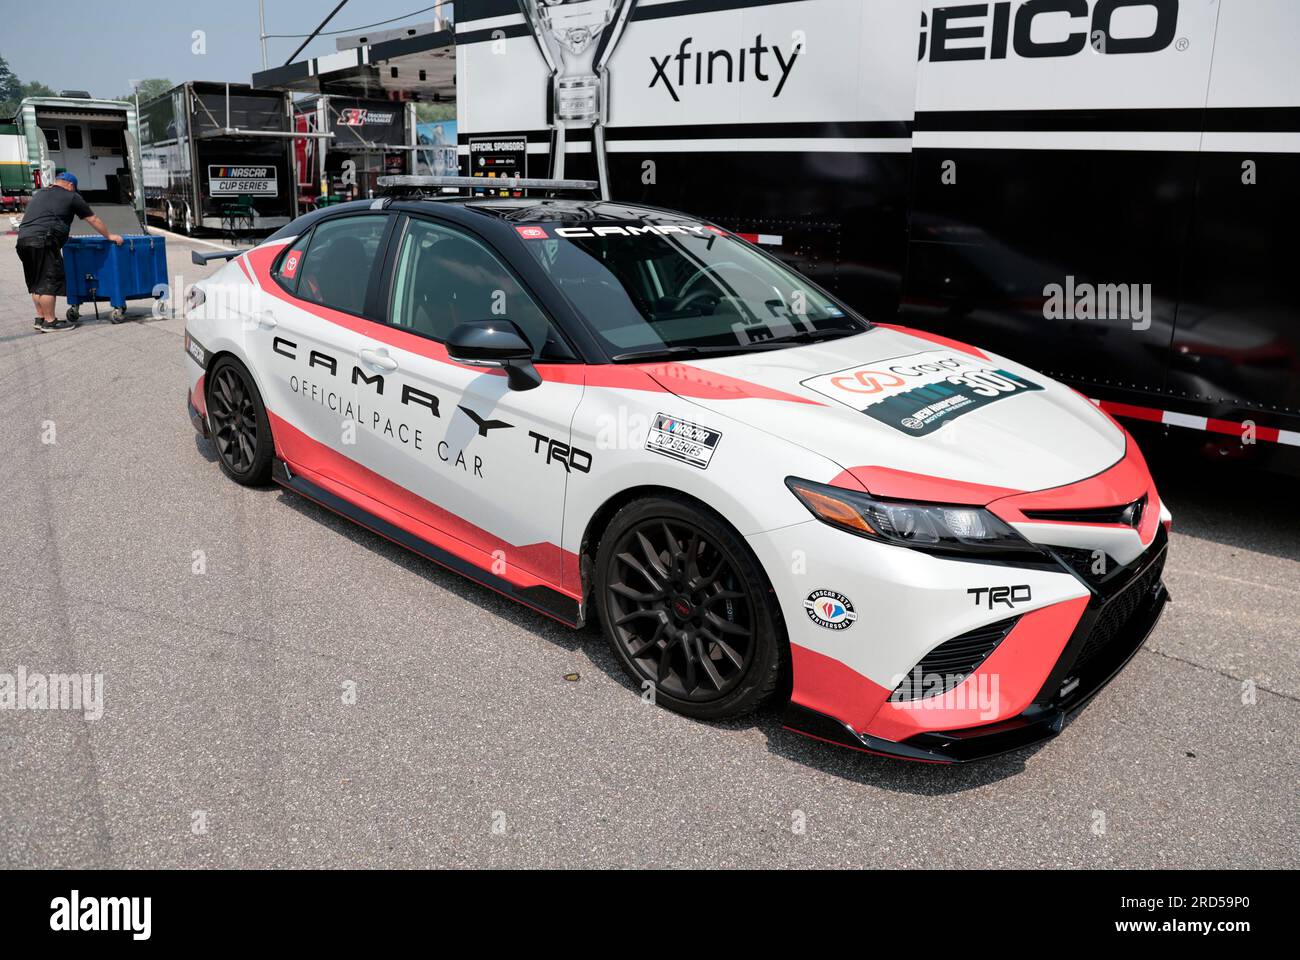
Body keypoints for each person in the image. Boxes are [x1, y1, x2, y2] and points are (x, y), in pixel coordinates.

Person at [16, 172, 123, 332]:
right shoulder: (71, 196)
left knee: (36, 283)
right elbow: (93, 219)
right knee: (47, 282)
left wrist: (62, 234)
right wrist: (109, 235)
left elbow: (43, 219)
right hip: (43, 241)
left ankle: (41, 318)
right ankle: (50, 322)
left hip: (23, 241)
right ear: (71, 185)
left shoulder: (40, 194)